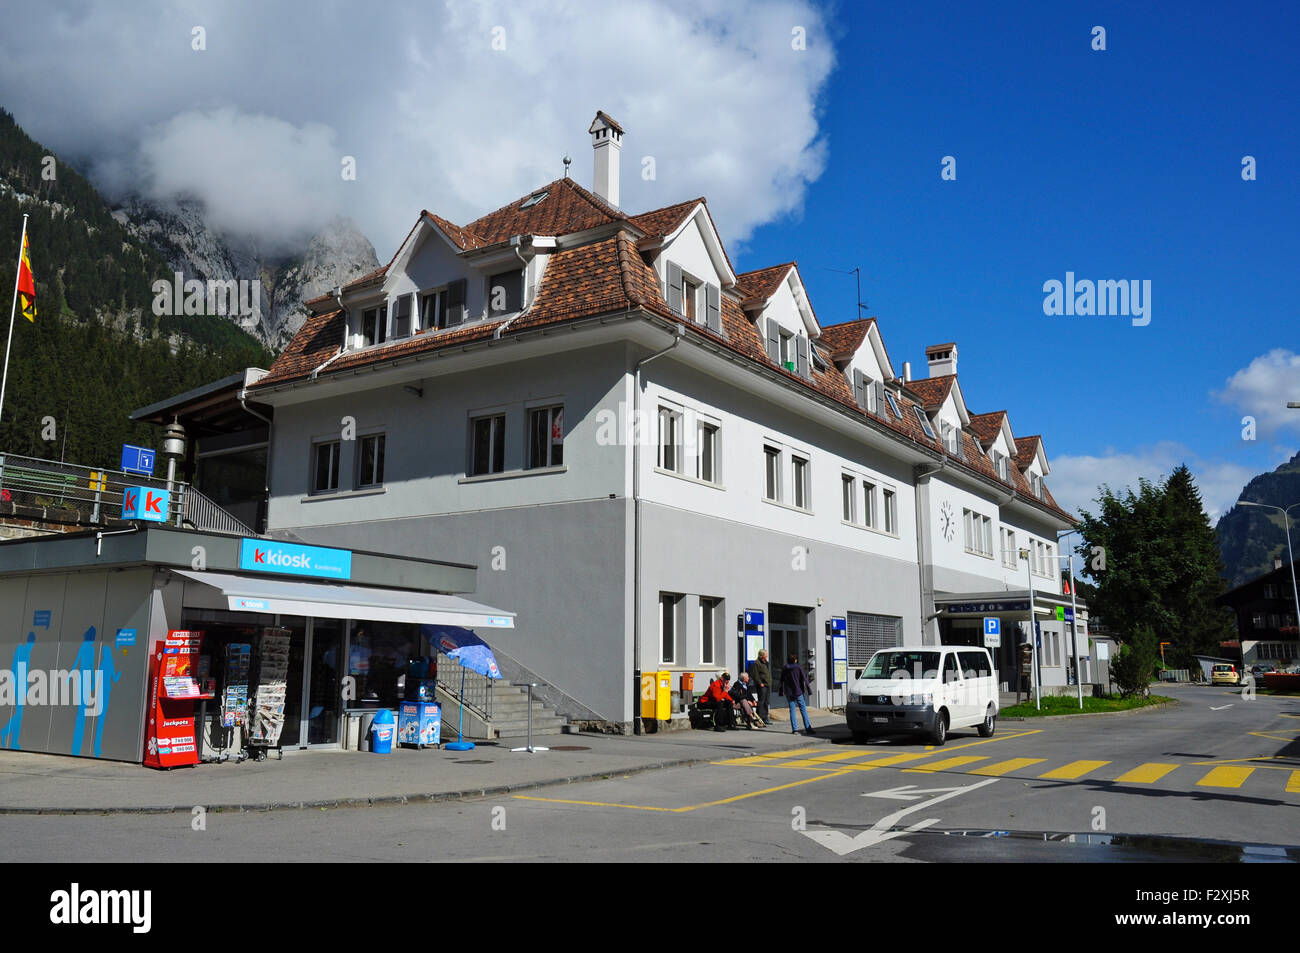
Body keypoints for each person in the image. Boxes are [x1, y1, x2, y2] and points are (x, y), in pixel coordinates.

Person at [779, 653, 814, 734]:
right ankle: (808, 728)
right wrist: (809, 690)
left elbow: (781, 680)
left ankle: (795, 729)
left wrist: (780, 691)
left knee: (792, 710)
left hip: (789, 692)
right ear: (795, 660)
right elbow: (804, 678)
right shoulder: (798, 667)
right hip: (798, 691)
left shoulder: (785, 668)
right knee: (803, 709)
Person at [748, 649, 771, 724]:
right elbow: (755, 675)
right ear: (762, 656)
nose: (767, 656)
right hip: (762, 685)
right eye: (765, 655)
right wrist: (760, 683)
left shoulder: (766, 663)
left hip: (767, 684)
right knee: (761, 701)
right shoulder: (756, 663)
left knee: (766, 701)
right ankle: (760, 717)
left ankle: (765, 717)